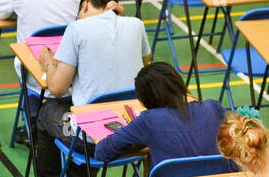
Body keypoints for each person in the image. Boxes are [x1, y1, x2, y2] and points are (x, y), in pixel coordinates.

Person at [32, 0, 152, 177]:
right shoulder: (136, 25)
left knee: (47, 111)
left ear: (85, 5)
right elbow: (144, 65)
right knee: (91, 105)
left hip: (94, 141)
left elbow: (57, 88)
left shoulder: (77, 29)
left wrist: (49, 64)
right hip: (137, 134)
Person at [93, 62, 225, 168]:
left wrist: (138, 139)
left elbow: (102, 152)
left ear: (146, 99)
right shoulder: (213, 107)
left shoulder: (148, 120)